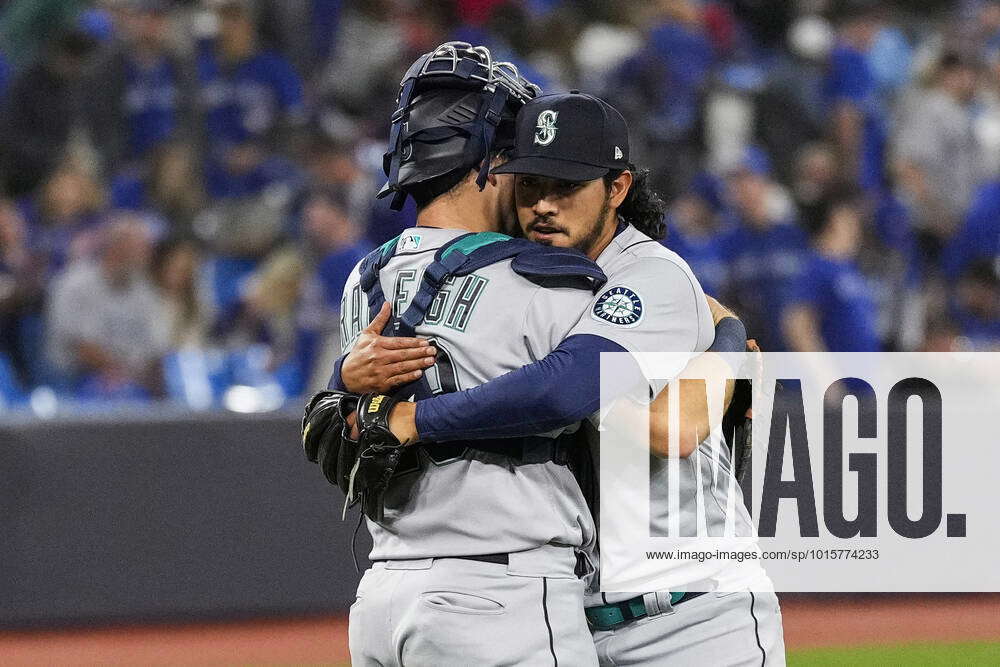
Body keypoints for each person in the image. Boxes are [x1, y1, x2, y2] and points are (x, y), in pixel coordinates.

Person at [333, 92, 786, 665]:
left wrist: (728, 348)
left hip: (692, 616)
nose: (544, 205)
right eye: (530, 184)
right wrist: (346, 374)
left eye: (565, 187)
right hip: (580, 615)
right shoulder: (532, 279)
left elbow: (660, 428)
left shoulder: (646, 273)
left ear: (616, 188)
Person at [320, 43, 605, 666]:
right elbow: (608, 385)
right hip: (501, 594)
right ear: (492, 162)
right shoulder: (549, 277)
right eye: (523, 163)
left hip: (381, 598)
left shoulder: (362, 282)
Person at [782, 196, 881, 352]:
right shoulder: (816, 268)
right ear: (834, 224)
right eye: (850, 223)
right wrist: (825, 374)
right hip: (837, 372)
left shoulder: (850, 269)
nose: (857, 231)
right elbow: (798, 326)